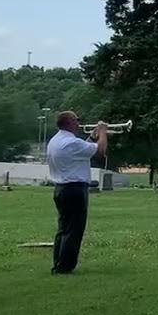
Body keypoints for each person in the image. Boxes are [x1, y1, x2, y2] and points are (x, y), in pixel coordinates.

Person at [45, 112, 107, 275]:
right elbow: (100, 151)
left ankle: (58, 263)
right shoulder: (71, 142)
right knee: (74, 230)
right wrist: (102, 132)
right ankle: (65, 266)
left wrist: (92, 138)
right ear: (70, 123)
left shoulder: (56, 141)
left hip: (61, 188)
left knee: (63, 229)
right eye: (77, 120)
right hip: (74, 189)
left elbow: (82, 151)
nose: (79, 124)